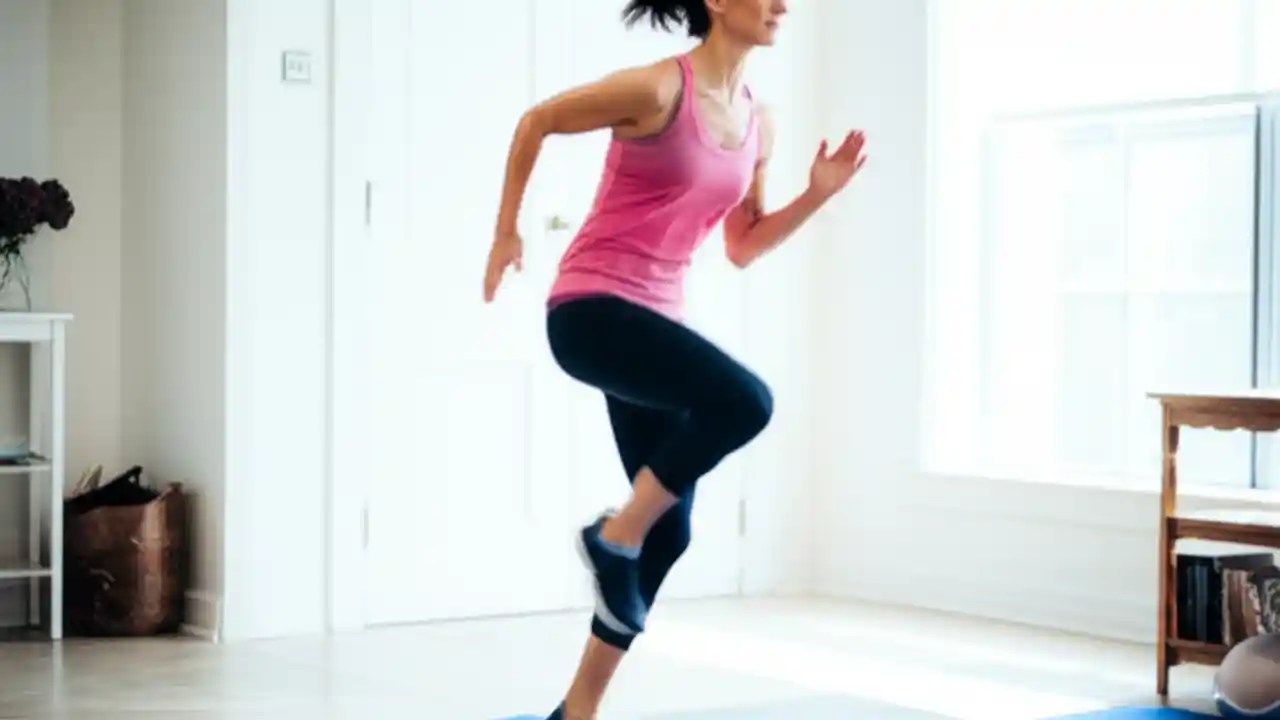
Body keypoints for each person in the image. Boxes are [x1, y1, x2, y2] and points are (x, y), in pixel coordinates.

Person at [483, 1, 866, 717]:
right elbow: (536, 120)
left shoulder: (760, 121)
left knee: (674, 530)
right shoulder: (660, 89)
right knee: (747, 402)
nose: (783, 4)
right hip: (591, 310)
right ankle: (614, 533)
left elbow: (742, 244)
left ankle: (576, 712)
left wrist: (815, 196)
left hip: (652, 323)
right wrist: (506, 233)